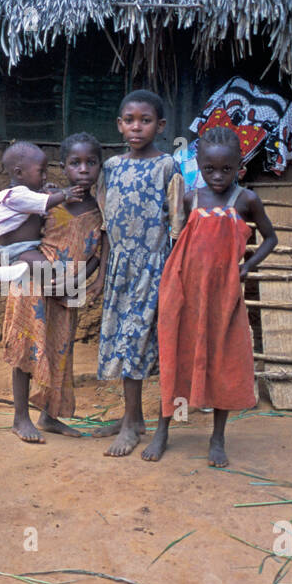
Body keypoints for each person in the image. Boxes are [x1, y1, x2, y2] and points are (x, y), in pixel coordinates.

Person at [142, 126, 278, 466]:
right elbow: (179, 242)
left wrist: (247, 267)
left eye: (227, 169)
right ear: (198, 165)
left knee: (225, 360)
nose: (218, 176)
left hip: (224, 296)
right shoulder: (190, 199)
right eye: (209, 169)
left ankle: (217, 438)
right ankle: (163, 430)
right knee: (175, 357)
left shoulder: (246, 200)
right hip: (185, 292)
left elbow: (270, 239)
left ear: (240, 168)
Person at [3, 132, 106, 443]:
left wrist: (84, 280)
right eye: (76, 163)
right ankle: (21, 418)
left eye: (91, 163)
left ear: (100, 167)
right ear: (64, 166)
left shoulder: (101, 208)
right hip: (33, 283)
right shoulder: (48, 201)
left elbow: (98, 253)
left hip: (68, 288)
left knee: (60, 349)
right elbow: (19, 241)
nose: (84, 169)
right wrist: (50, 280)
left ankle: (50, 416)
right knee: (25, 348)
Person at [96, 90, 178, 457]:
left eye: (145, 121)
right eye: (129, 120)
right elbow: (106, 220)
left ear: (159, 126)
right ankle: (134, 416)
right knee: (121, 339)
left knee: (136, 342)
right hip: (120, 268)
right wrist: (101, 272)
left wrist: (173, 274)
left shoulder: (167, 166)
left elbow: (177, 224)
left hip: (153, 267)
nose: (136, 127)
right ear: (119, 124)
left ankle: (132, 425)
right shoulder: (112, 167)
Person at [0, 141, 85, 267]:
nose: (45, 177)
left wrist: (44, 190)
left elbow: (36, 199)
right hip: (16, 251)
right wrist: (64, 194)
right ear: (19, 173)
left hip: (29, 248)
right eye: (40, 172)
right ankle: (55, 284)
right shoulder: (15, 195)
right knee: (47, 268)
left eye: (46, 172)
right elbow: (45, 203)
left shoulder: (29, 194)